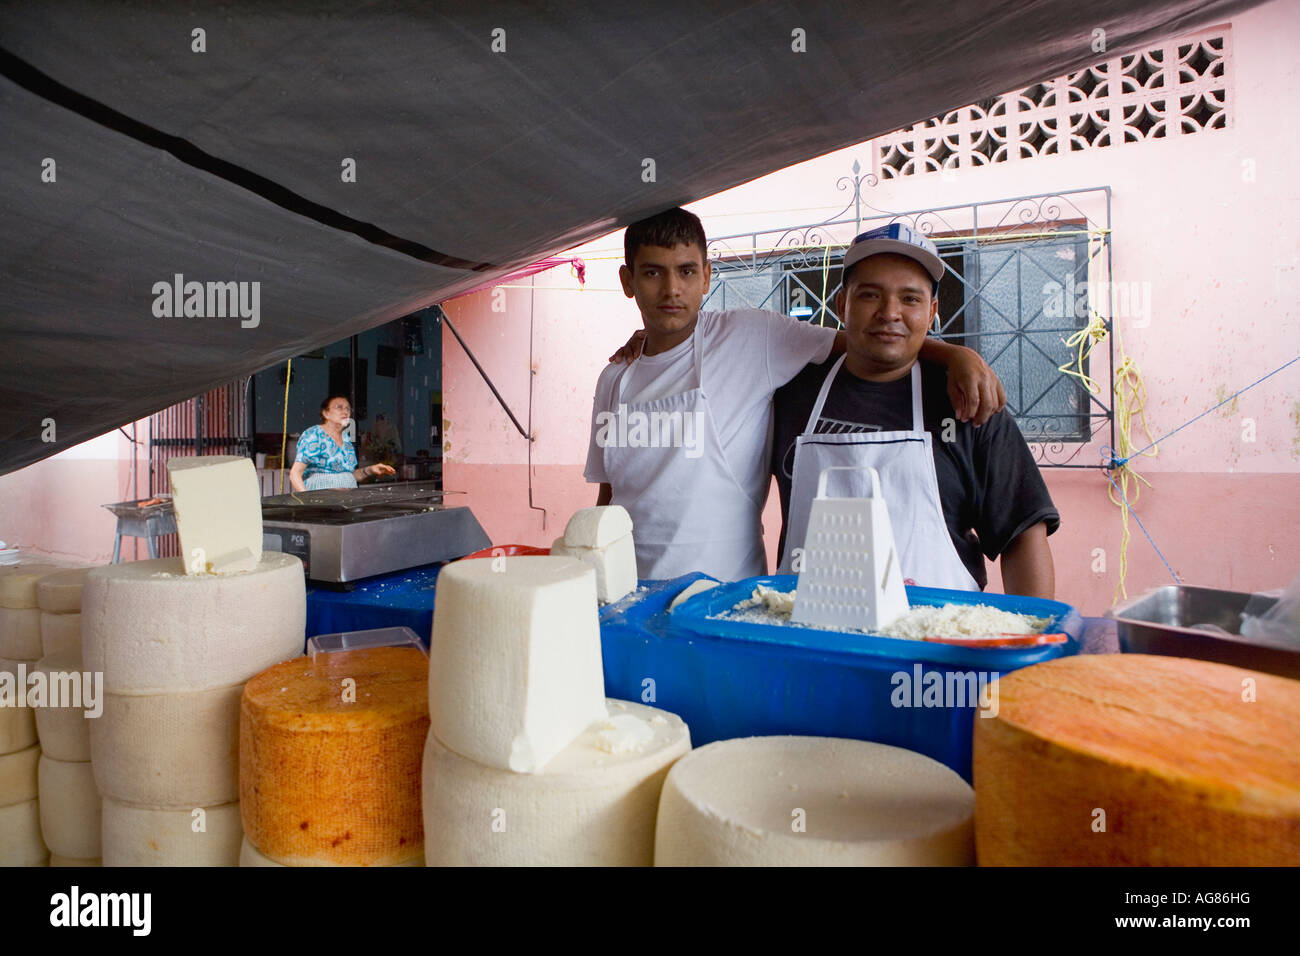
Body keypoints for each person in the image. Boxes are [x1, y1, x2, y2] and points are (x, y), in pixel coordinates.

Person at [585, 208, 1006, 582]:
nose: (672, 289)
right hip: (627, 590)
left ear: (708, 275)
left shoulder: (753, 337)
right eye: (653, 272)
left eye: (687, 271)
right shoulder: (613, 378)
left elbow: (866, 340)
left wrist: (955, 354)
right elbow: (609, 494)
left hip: (720, 596)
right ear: (628, 280)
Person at [771, 224, 1057, 597]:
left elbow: (1022, 535)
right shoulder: (790, 390)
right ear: (843, 305)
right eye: (870, 295)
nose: (890, 313)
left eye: (910, 299)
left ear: (932, 311)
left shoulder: (968, 401)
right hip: (809, 636)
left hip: (939, 639)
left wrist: (1031, 645)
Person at [289, 395, 396, 492]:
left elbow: (349, 475)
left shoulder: (346, 438)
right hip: (320, 500)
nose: (345, 412)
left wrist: (370, 470)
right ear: (326, 413)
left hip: (347, 500)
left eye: (348, 409)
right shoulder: (314, 435)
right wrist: (306, 500)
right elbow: (295, 473)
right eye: (339, 407)